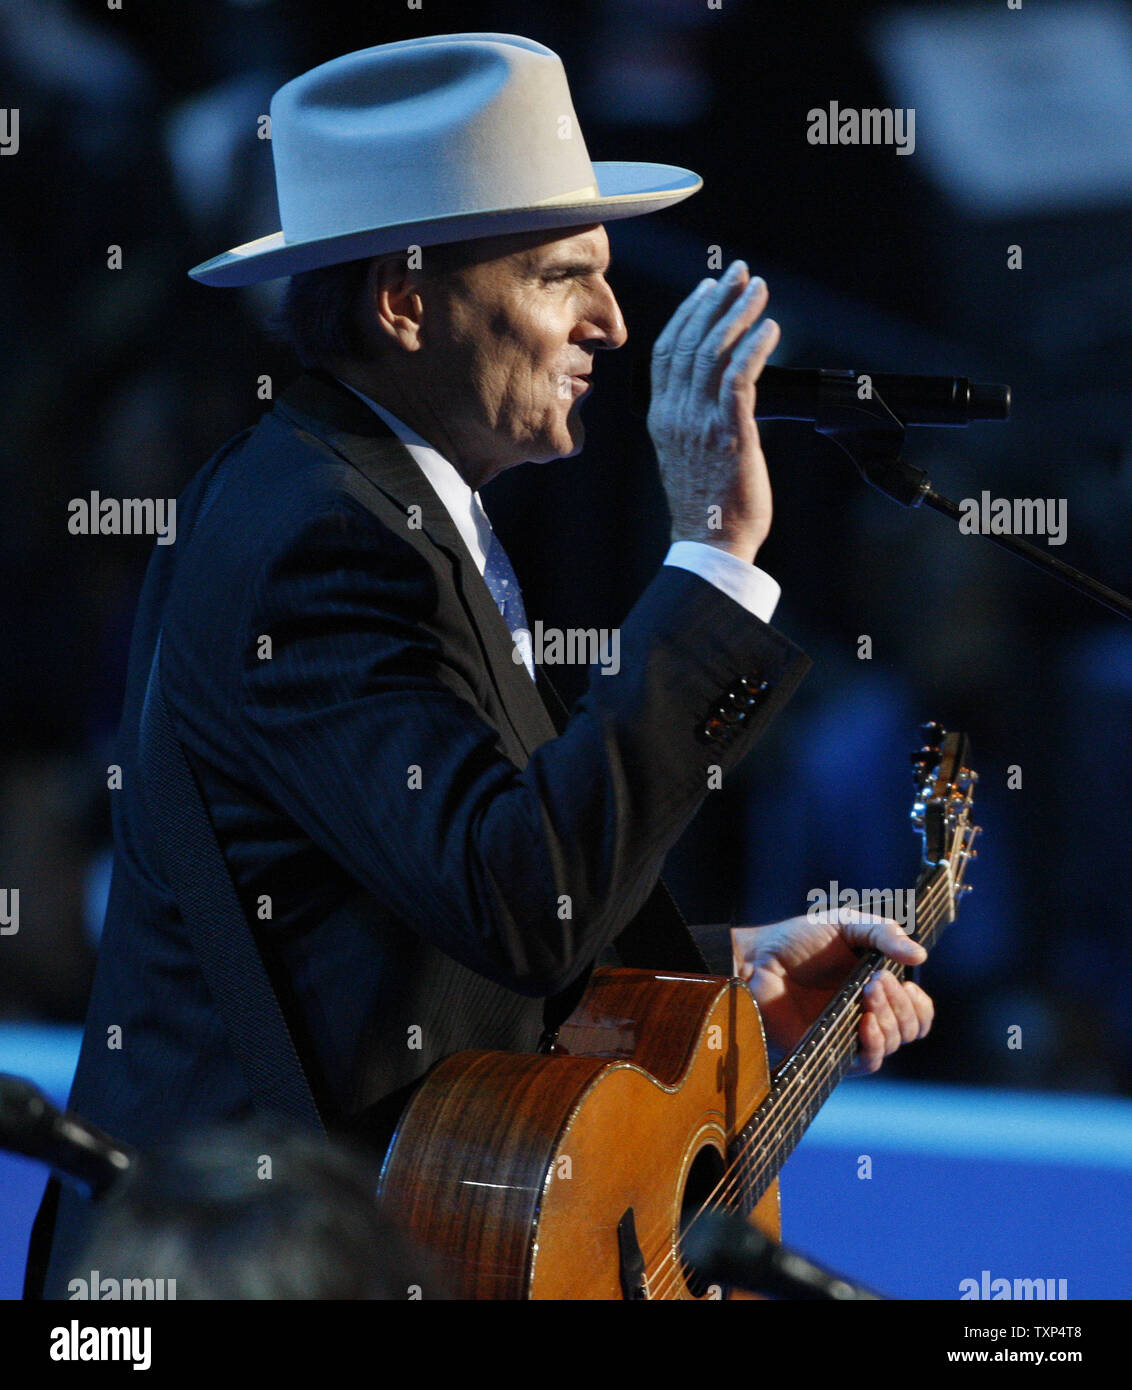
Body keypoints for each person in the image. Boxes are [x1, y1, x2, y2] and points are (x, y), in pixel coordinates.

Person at [27, 33, 931, 1298]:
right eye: (566, 276)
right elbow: (517, 896)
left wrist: (725, 965)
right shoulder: (320, 537)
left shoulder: (381, 502)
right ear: (406, 301)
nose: (613, 324)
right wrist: (714, 559)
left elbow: (444, 886)